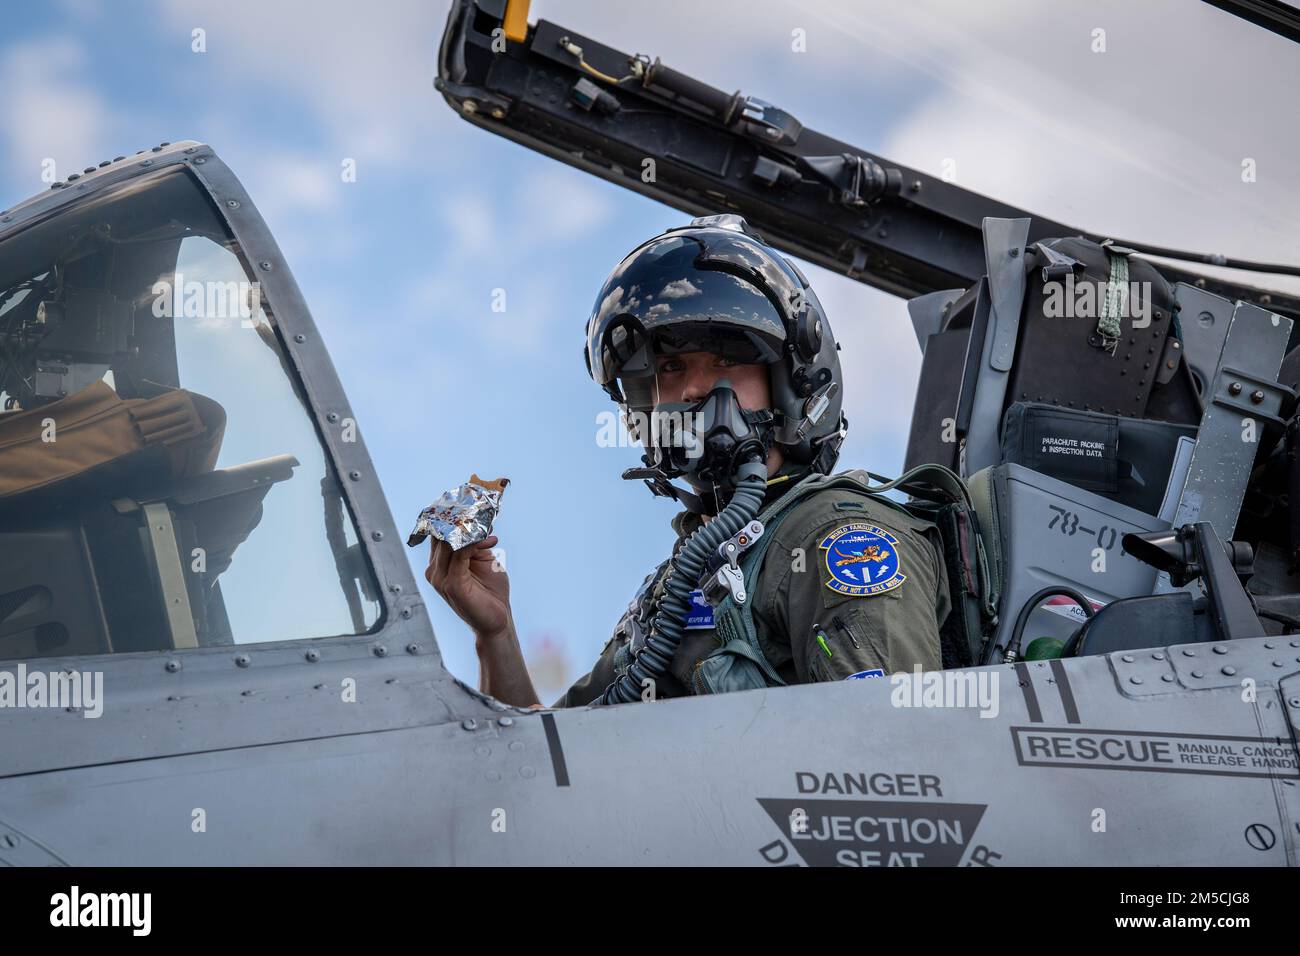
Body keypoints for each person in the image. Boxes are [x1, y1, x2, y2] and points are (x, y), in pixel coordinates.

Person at [426, 215, 950, 708]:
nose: (696, 388)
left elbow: (896, 766)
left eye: (728, 360)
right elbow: (542, 770)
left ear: (793, 383)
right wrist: (495, 634)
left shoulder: (836, 539)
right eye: (672, 367)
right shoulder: (688, 578)